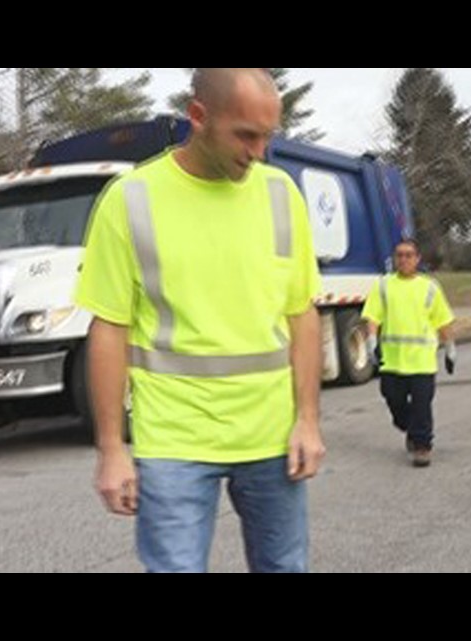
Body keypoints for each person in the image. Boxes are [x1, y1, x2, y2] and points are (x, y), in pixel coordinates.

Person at [76, 68, 325, 573]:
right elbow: (109, 330)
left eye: (268, 136)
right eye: (245, 135)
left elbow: (301, 315)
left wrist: (308, 420)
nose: (258, 152)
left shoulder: (281, 195)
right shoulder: (131, 199)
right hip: (173, 439)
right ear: (198, 116)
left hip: (272, 435)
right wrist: (111, 448)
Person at [361, 239, 456, 468]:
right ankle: (410, 427)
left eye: (408, 255)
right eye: (399, 255)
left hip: (422, 362)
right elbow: (372, 316)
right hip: (392, 361)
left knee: (422, 406)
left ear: (417, 259)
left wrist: (450, 349)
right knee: (394, 402)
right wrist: (371, 340)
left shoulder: (430, 287)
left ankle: (422, 446)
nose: (403, 259)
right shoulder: (383, 285)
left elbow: (443, 321)